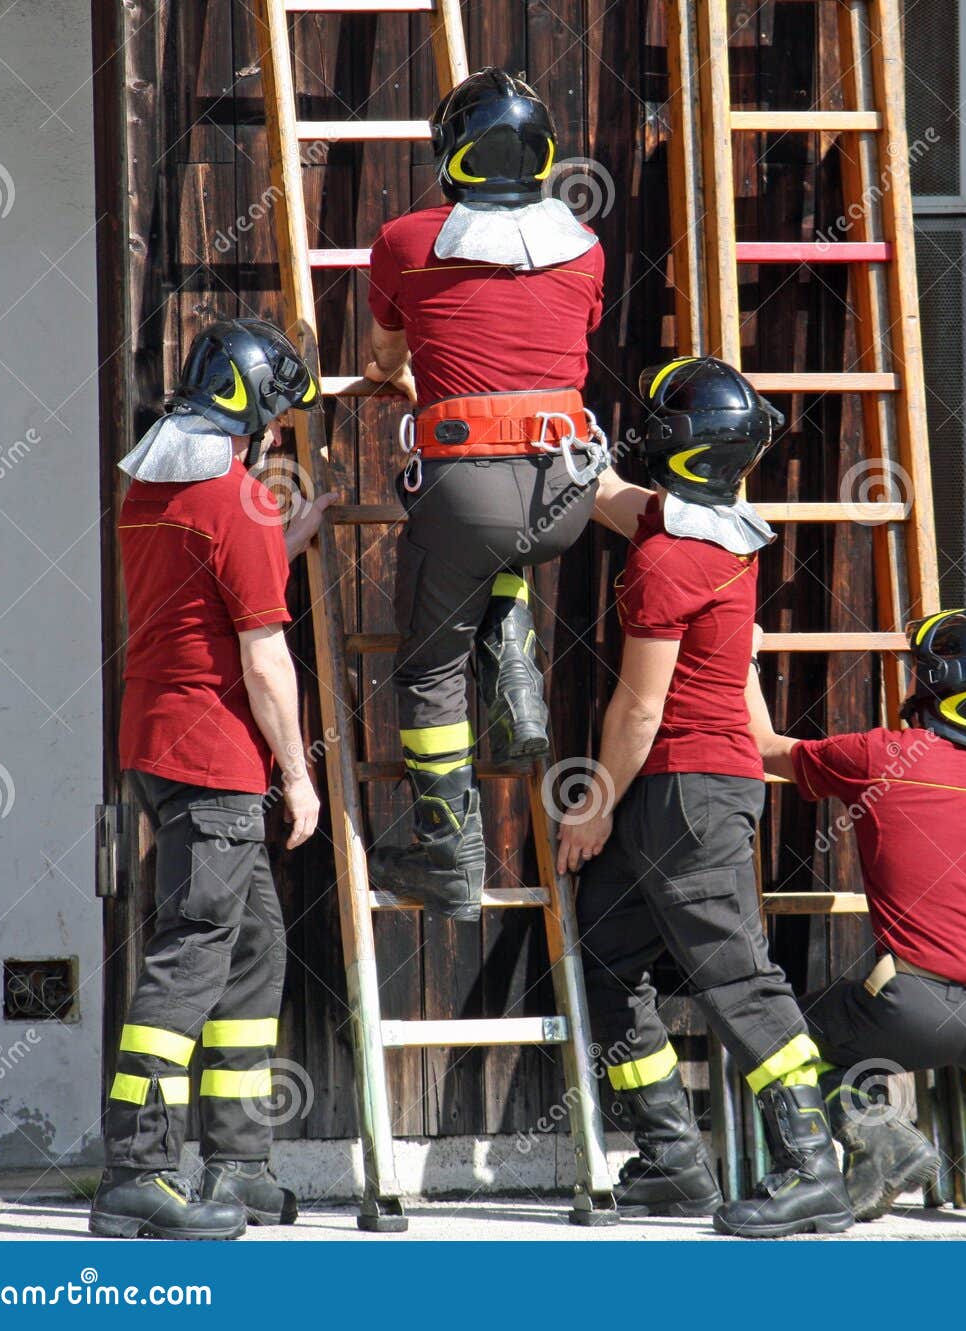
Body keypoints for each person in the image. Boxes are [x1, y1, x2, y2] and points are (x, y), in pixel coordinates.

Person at [559, 356, 852, 1239]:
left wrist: (596, 800)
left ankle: (814, 1168)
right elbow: (620, 500)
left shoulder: (665, 559)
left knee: (737, 976)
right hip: (682, 792)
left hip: (684, 791)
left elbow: (641, 703)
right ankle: (673, 1158)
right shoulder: (709, 528)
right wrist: (582, 461)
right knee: (610, 953)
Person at [92, 318, 335, 1240]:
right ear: (258, 417)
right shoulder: (235, 501)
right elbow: (266, 660)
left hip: (155, 742)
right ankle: (137, 1170)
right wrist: (300, 778)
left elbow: (215, 579)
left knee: (252, 948)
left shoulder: (151, 488)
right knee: (192, 953)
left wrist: (292, 532)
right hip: (215, 762)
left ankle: (236, 1162)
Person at [361, 68, 608, 922]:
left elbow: (383, 360)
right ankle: (517, 689)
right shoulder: (585, 245)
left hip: (466, 489)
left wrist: (400, 377)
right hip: (566, 494)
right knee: (498, 556)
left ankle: (448, 855)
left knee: (429, 667)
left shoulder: (404, 240)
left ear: (452, 157)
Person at [746, 608, 966, 1222]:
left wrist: (746, 655)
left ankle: (882, 1138)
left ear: (939, 688)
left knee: (782, 1035)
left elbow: (763, 748)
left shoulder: (882, 756)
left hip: (915, 1013)